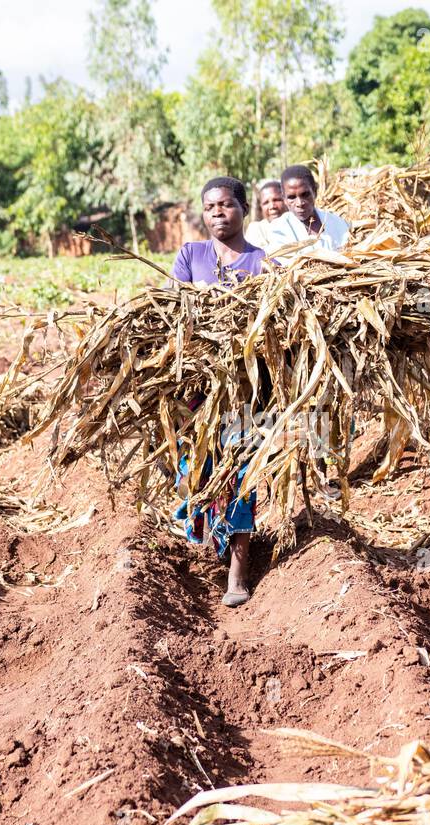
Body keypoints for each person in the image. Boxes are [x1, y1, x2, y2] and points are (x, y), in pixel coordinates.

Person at [170, 176, 267, 608]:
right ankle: (216, 542)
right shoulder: (190, 256)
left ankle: (238, 572)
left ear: (243, 208)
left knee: (241, 476)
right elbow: (173, 312)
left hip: (248, 392)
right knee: (199, 474)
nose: (217, 214)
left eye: (225, 205)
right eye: (209, 207)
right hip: (198, 396)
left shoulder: (263, 263)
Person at [265, 164, 351, 260]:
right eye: (291, 197)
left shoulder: (337, 223)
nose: (299, 203)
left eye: (305, 195)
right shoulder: (278, 230)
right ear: (284, 198)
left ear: (315, 191)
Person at [244, 179, 287, 250]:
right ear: (261, 206)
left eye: (276, 200)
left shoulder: (298, 225)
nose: (272, 206)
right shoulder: (255, 229)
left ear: (286, 200)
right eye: (266, 203)